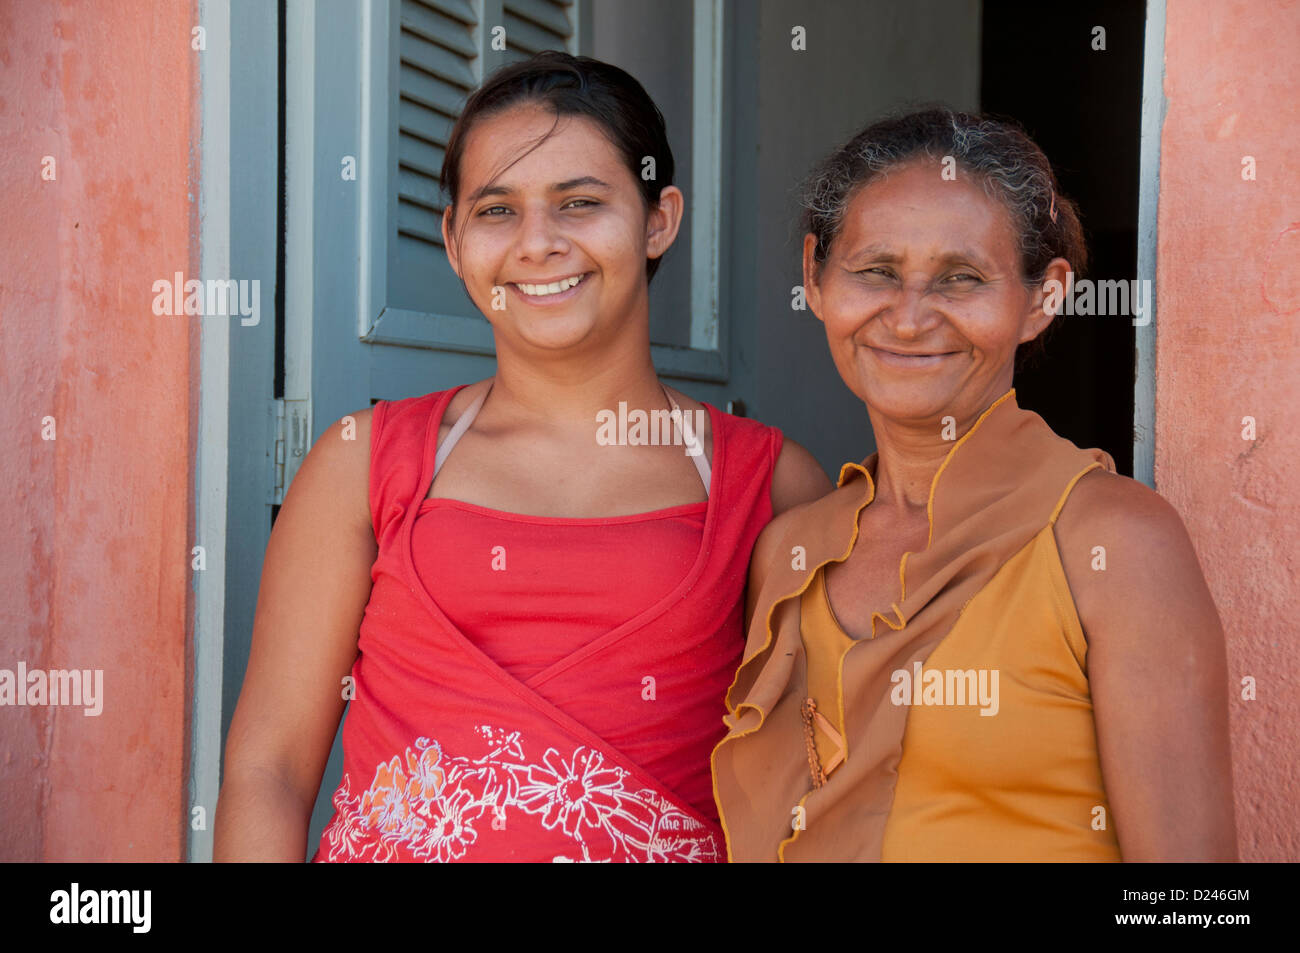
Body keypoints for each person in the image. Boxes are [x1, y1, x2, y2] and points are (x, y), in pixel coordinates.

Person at [213, 51, 828, 863]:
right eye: (497, 210)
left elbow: (814, 791)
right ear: (455, 240)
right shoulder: (366, 464)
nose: (538, 244)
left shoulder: (771, 484)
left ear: (659, 219)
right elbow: (270, 770)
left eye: (580, 202)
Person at [711, 108, 1237, 862]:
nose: (911, 316)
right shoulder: (792, 552)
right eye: (876, 272)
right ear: (814, 279)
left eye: (961, 278)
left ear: (1043, 297)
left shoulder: (1112, 542)